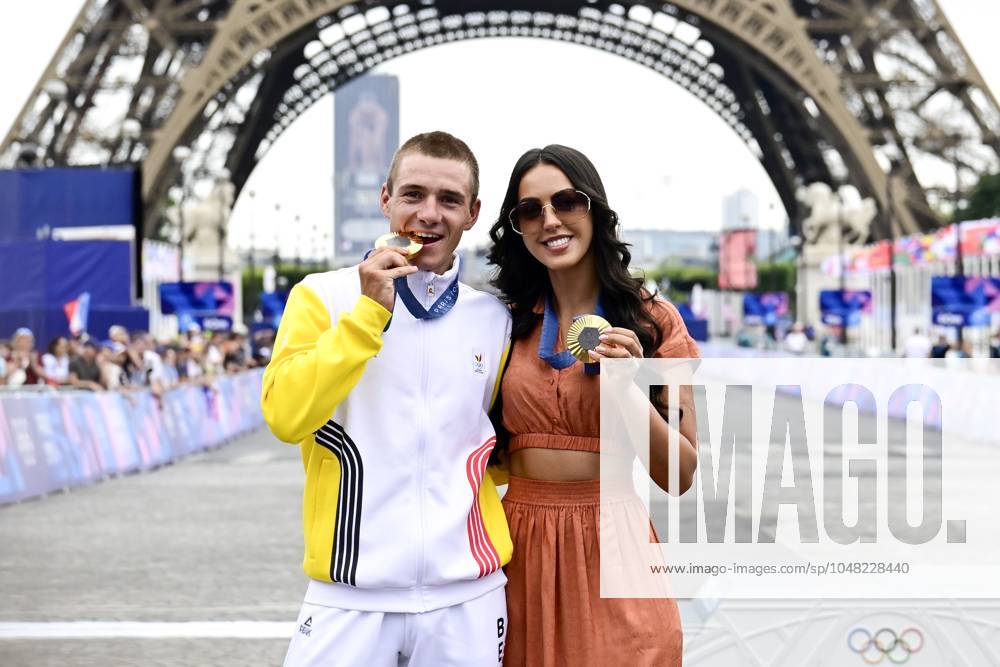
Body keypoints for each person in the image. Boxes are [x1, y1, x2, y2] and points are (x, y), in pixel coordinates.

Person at [263, 131, 513, 667]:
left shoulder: (494, 320)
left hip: (466, 598)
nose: (429, 214)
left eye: (449, 201)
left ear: (472, 213)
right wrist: (367, 317)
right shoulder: (320, 296)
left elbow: (491, 446)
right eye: (413, 195)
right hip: (349, 595)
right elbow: (285, 416)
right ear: (385, 199)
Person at [486, 145, 699, 666]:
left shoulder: (654, 321)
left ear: (595, 209)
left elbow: (678, 473)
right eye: (529, 210)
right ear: (515, 227)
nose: (550, 220)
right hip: (517, 549)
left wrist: (626, 387)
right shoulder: (501, 322)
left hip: (616, 546)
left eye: (566, 201)